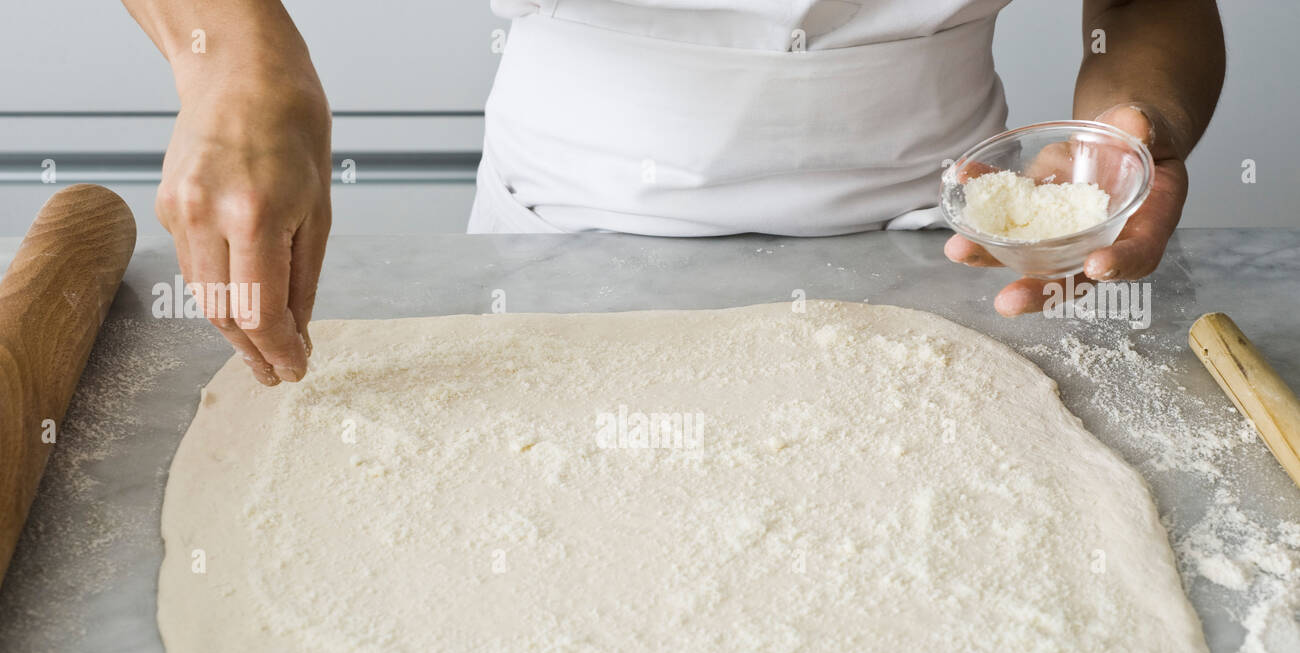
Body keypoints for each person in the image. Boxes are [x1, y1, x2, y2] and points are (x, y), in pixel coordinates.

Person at [123, 0, 1224, 386]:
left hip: (940, 248)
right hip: (559, 240)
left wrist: (1130, 134)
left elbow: (1144, 1)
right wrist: (237, 62)